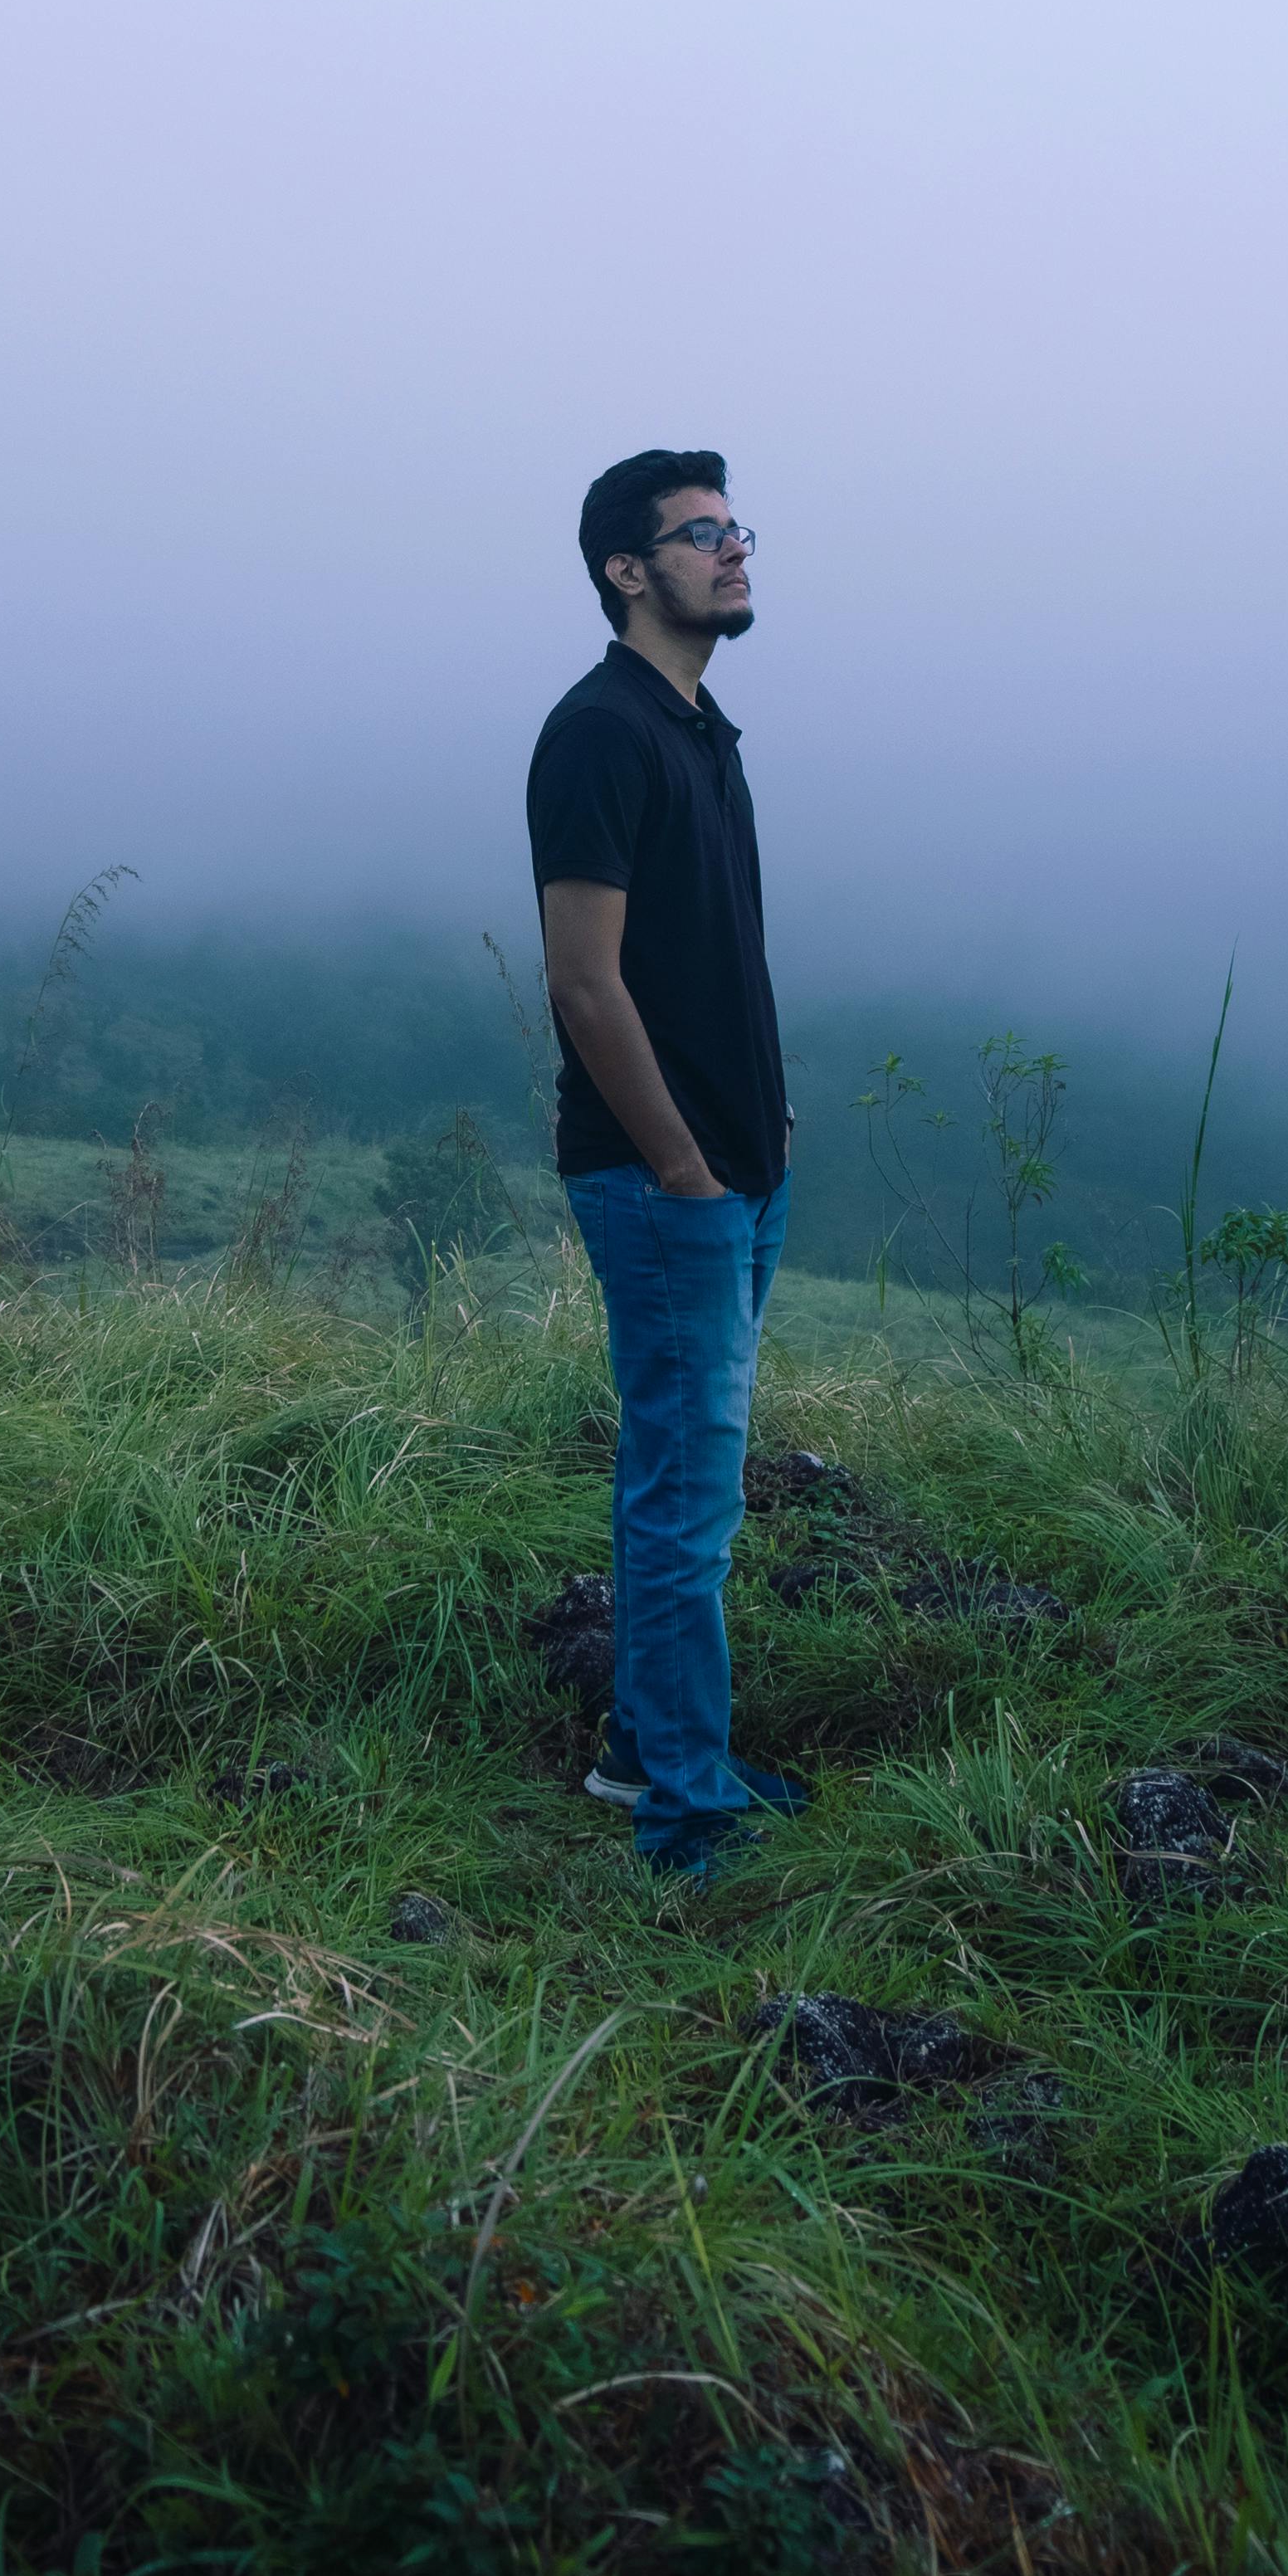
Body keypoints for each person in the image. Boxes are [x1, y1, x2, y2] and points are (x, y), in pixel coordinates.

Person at [528, 449, 811, 1876]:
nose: (733, 548)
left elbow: (715, 959)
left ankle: (648, 1746)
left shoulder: (703, 731)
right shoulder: (600, 733)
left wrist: (764, 1132)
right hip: (664, 1182)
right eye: (700, 534)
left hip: (737, 1167)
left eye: (735, 526)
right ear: (626, 571)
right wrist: (687, 1170)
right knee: (691, 1496)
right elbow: (586, 983)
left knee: (679, 1475)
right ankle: (686, 1811)